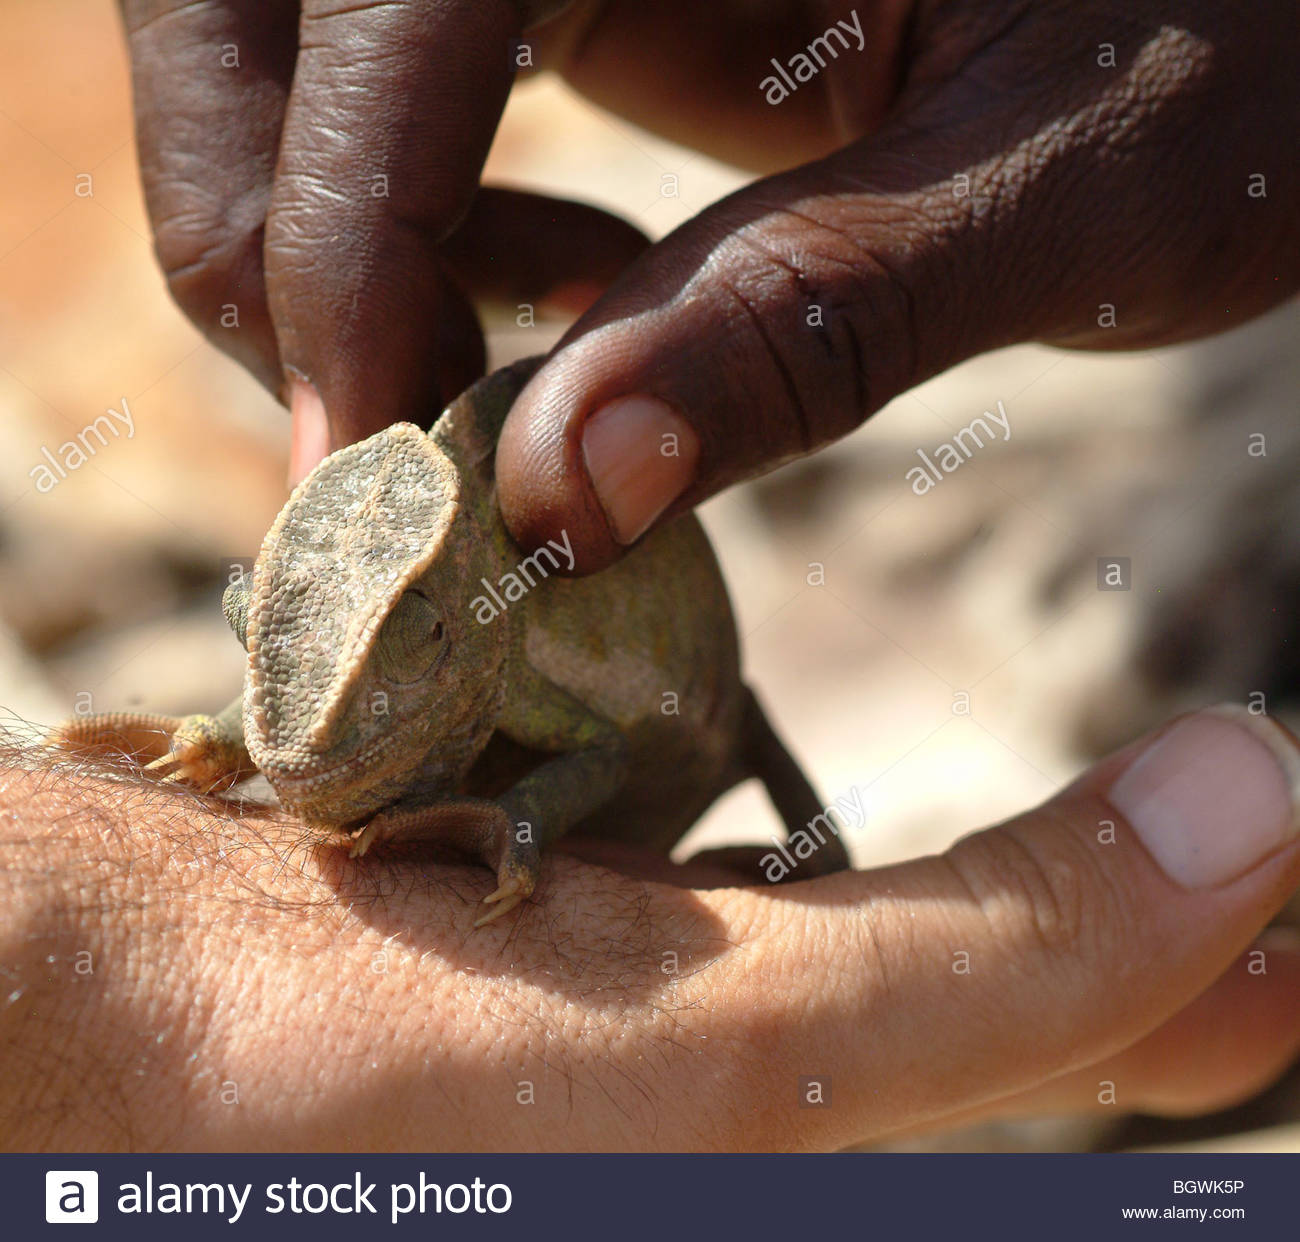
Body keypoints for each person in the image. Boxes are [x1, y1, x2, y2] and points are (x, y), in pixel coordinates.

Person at [2, 0, 1297, 1150]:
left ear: (455, 621)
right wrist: (228, 740)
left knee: (826, 920)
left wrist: (525, 823)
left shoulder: (496, 632)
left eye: (416, 638)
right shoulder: (441, 625)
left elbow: (604, 758)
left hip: (694, 719)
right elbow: (319, 695)